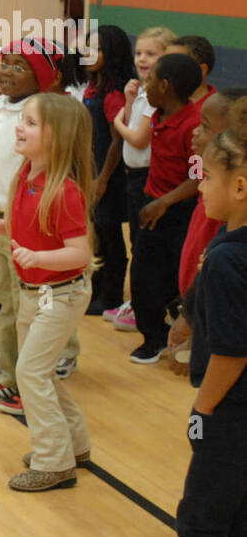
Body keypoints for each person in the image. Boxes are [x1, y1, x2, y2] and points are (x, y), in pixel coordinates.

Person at [0, 94, 95, 492]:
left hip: (62, 294)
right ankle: (73, 446)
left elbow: (80, 253)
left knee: (30, 372)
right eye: (21, 120)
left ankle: (54, 463)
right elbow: (25, 228)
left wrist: (38, 254)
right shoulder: (25, 176)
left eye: (30, 123)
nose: (19, 127)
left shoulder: (65, 191)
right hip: (33, 292)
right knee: (37, 371)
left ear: (57, 136)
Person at [174, 93, 247, 537]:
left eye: (209, 177)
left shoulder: (225, 260)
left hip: (231, 413)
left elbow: (232, 353)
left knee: (200, 528)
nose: (200, 184)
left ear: (240, 186)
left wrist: (201, 412)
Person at [0, 39, 69, 411]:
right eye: (6, 64)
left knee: (27, 308)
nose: (7, 72)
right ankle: (11, 375)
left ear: (42, 76)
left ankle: (24, 380)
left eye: (19, 66)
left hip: (25, 226)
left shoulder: (40, 113)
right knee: (6, 304)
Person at [130, 53, 204, 364]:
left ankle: (182, 329)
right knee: (143, 277)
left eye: (150, 80)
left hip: (178, 212)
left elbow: (198, 177)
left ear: (165, 84)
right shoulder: (158, 115)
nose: (145, 85)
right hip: (152, 205)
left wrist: (164, 202)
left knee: (178, 276)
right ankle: (153, 337)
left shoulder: (193, 125)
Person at [109, 26, 176, 333]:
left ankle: (145, 305)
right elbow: (129, 123)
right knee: (136, 240)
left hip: (146, 177)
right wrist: (127, 101)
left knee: (144, 245)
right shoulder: (139, 90)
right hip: (131, 175)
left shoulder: (156, 96)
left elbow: (136, 138)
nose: (143, 59)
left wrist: (117, 122)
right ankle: (137, 301)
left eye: (152, 53)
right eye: (139, 53)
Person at [80, 26, 134, 316]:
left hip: (109, 177)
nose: (88, 54)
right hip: (92, 172)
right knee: (97, 234)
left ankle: (111, 294)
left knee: (111, 237)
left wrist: (102, 179)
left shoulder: (113, 93)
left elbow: (116, 142)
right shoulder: (92, 88)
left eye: (97, 49)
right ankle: (98, 289)